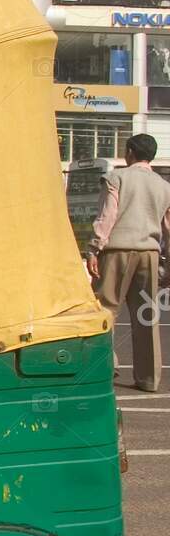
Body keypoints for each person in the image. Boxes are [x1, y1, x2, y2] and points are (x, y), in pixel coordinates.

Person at [87, 133, 170, 392]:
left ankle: (106, 367)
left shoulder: (117, 178)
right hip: (150, 252)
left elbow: (107, 215)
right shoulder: (164, 185)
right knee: (146, 317)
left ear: (131, 152)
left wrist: (93, 248)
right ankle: (148, 379)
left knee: (106, 310)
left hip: (117, 251)